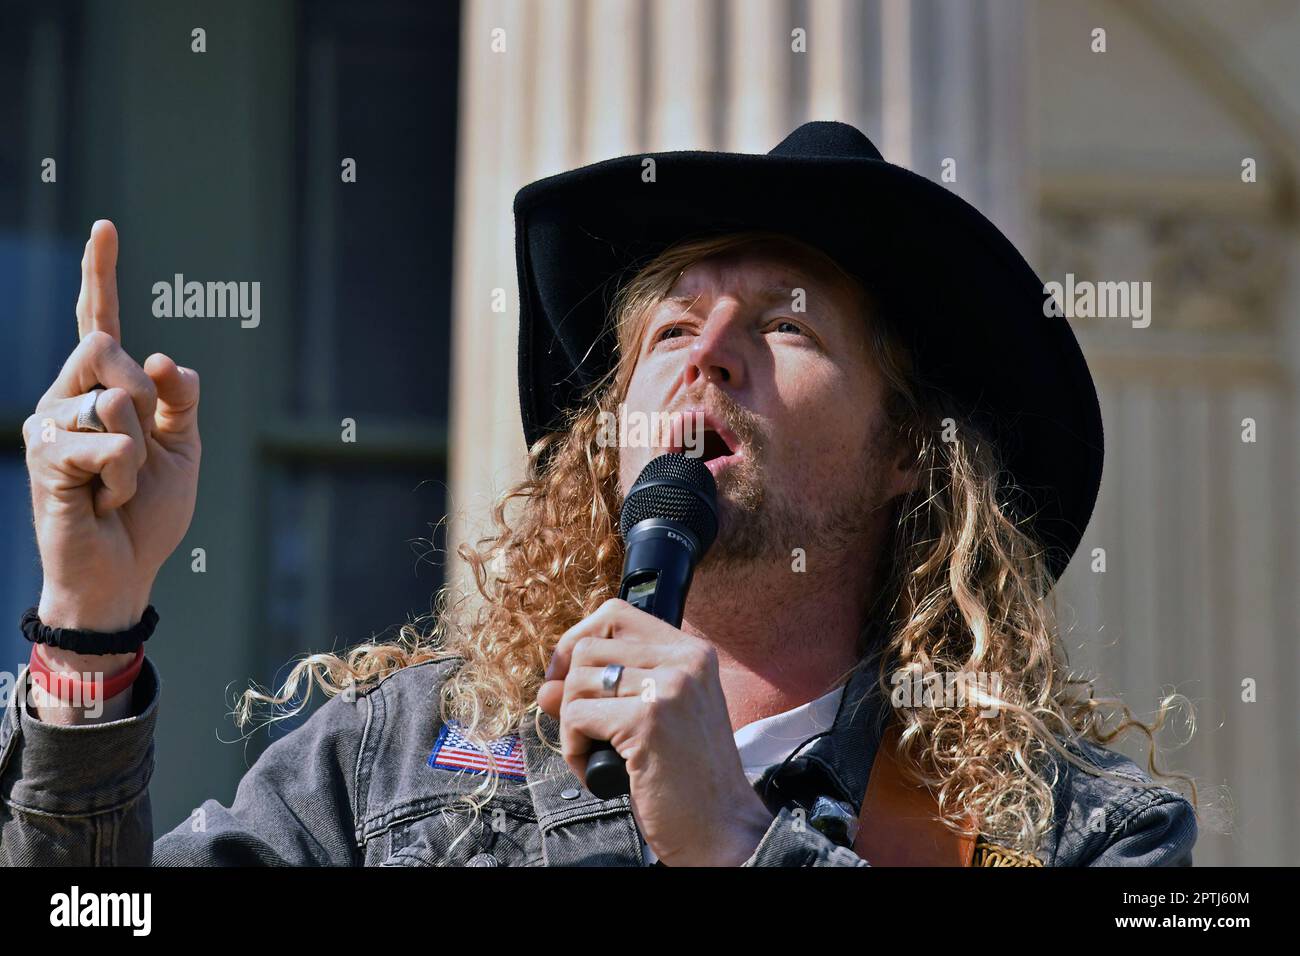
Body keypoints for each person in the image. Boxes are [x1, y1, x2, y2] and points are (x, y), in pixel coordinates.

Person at [1, 121, 1196, 867]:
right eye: (671, 324)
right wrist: (88, 629)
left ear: (907, 454)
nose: (707, 352)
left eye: (786, 325)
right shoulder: (400, 758)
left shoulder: (1065, 829)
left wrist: (734, 842)